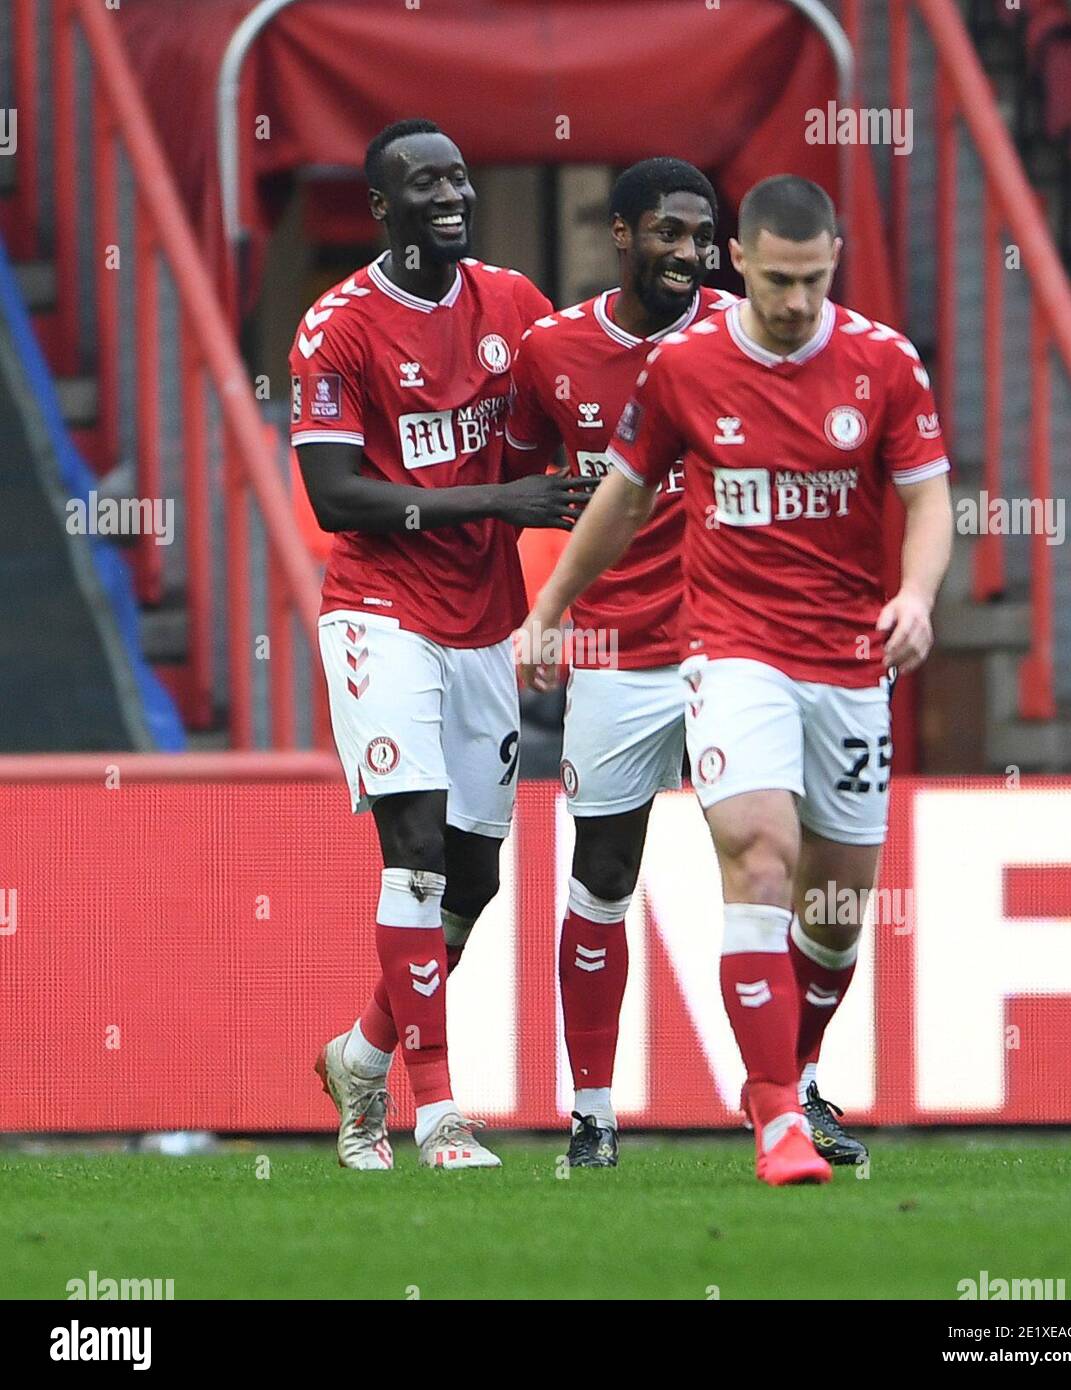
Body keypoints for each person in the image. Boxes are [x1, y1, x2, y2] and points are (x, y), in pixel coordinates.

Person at [518, 175, 953, 1185]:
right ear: (744, 264)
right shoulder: (686, 366)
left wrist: (917, 594)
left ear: (830, 260)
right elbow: (617, 503)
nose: (796, 302)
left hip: (845, 656)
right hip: (721, 649)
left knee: (836, 914)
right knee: (747, 857)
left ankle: (791, 1077)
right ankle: (755, 1120)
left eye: (814, 280)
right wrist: (545, 615)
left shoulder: (882, 365)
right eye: (779, 280)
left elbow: (930, 501)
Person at [290, 119, 592, 1171]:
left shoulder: (514, 305)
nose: (451, 194)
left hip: (482, 621)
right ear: (381, 207)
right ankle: (437, 1112)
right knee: (413, 857)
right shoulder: (337, 328)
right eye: (424, 183)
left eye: (460, 175)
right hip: (378, 613)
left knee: (473, 878)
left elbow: (577, 406)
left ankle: (360, 1055)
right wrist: (499, 496)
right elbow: (333, 494)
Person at [505, 158, 737, 1166]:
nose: (689, 254)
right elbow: (518, 489)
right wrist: (538, 615)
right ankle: (592, 1115)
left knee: (771, 863)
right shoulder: (550, 350)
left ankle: (796, 1094)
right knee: (599, 877)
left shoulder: (743, 333)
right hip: (612, 652)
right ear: (622, 234)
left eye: (703, 237)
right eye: (670, 234)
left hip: (737, 644)